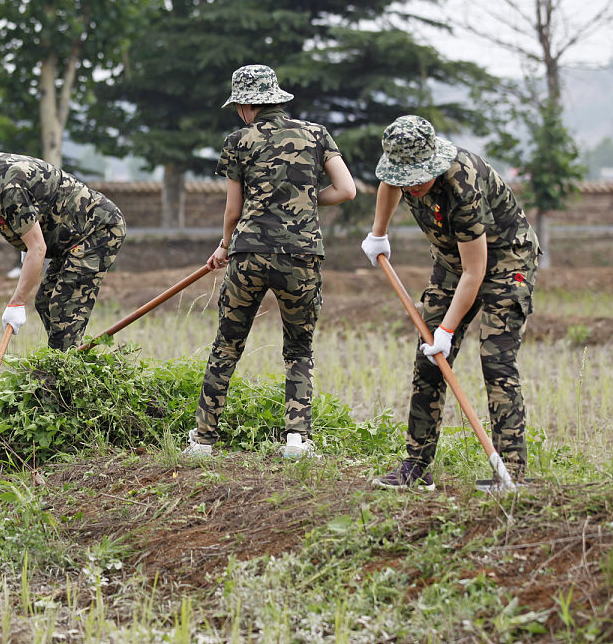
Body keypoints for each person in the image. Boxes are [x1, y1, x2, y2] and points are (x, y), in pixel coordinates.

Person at [182, 65, 356, 460]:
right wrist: (306, 201)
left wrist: (225, 245)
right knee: (299, 348)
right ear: (276, 97)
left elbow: (232, 210)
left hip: (249, 252)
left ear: (245, 105)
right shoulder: (316, 134)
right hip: (302, 254)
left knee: (227, 344)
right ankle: (296, 439)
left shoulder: (238, 140)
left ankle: (204, 441)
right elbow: (347, 190)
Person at [361, 115, 538, 491]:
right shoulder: (402, 173)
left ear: (433, 163)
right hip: (451, 263)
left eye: (419, 178)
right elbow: (390, 184)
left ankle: (514, 474)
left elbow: (477, 271)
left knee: (496, 360)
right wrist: (379, 233)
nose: (413, 185)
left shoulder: (463, 188)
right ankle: (416, 466)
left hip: (507, 263)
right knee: (428, 360)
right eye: (404, 178)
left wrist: (446, 329)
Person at [0, 131, 126, 350]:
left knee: (64, 304)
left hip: (97, 229)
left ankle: (64, 370)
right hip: (68, 240)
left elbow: (37, 248)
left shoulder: (7, 187)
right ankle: (70, 360)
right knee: (45, 301)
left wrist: (16, 301)